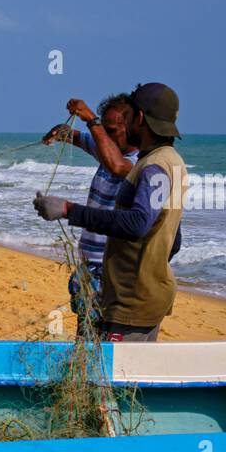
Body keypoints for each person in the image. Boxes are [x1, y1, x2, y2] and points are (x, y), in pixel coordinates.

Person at [33, 82, 187, 342]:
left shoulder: (147, 165)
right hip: (123, 285)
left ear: (137, 120)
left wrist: (68, 210)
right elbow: (175, 238)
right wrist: (64, 131)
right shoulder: (168, 159)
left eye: (117, 126)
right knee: (91, 346)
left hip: (127, 293)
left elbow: (136, 218)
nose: (108, 135)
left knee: (107, 368)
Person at [41, 94, 140, 336]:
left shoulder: (138, 163)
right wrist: (64, 131)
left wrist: (90, 119)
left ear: (132, 129)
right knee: (85, 333)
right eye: (103, 130)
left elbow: (117, 165)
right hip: (90, 265)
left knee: (102, 338)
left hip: (111, 269)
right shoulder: (108, 150)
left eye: (112, 130)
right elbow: (77, 138)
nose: (105, 135)